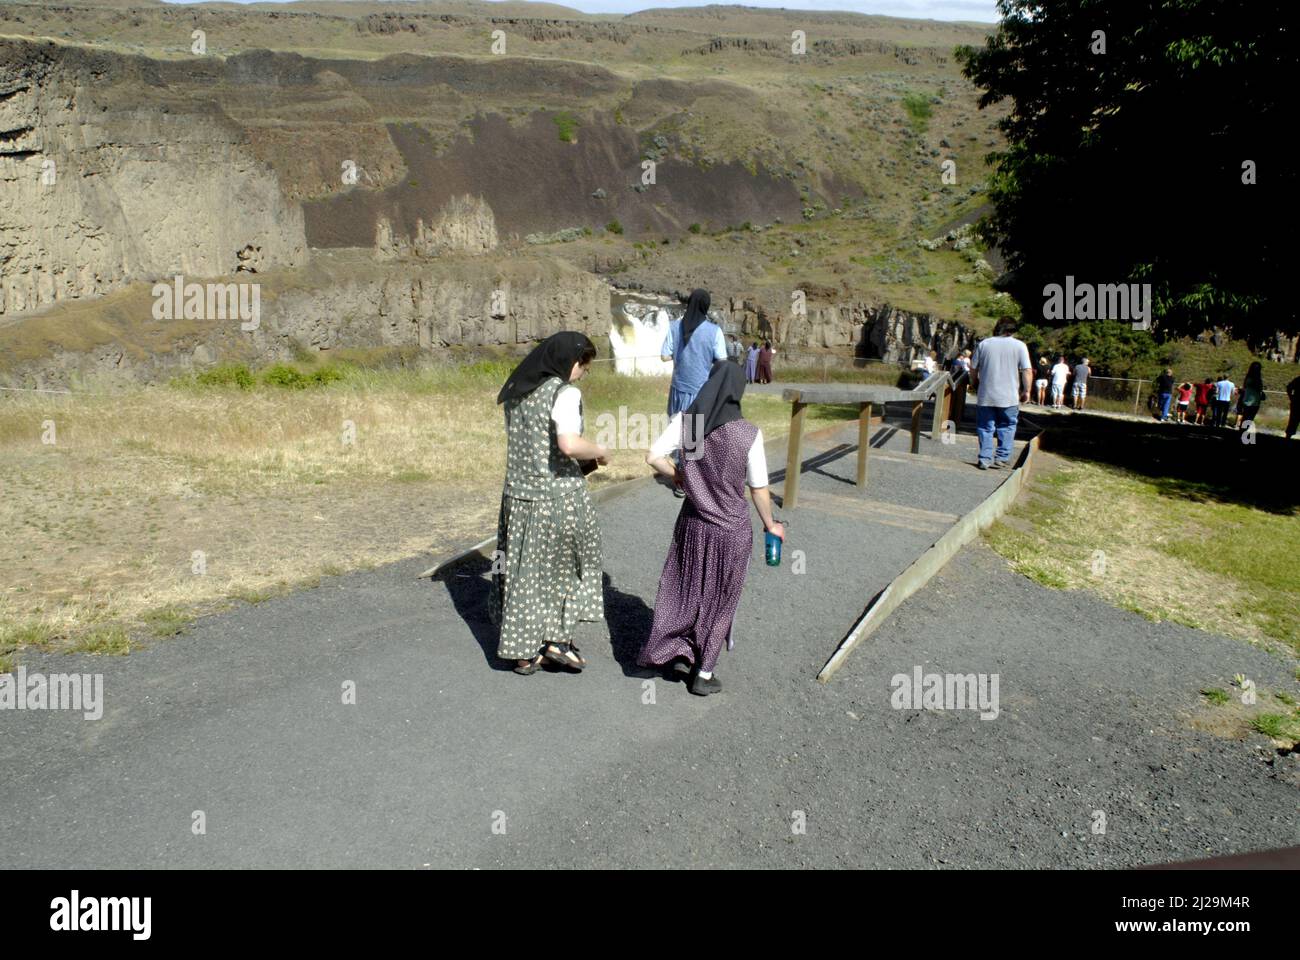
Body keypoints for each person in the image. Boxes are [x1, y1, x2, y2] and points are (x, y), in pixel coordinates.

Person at [638, 362, 783, 696]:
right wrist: (771, 525)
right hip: (731, 530)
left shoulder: (691, 424)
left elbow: (653, 456)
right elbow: (758, 489)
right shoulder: (748, 433)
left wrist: (679, 474)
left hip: (692, 522)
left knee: (685, 588)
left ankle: (679, 651)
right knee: (721, 597)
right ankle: (703, 673)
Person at [490, 332, 608, 675]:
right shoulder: (564, 392)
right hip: (556, 499)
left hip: (517, 496)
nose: (583, 372)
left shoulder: (518, 392)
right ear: (569, 361)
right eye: (582, 365)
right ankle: (557, 639)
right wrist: (600, 450)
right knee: (566, 569)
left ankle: (524, 652)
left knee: (522, 573)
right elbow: (569, 445)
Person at [969, 316, 1031, 470]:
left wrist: (974, 383)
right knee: (1007, 425)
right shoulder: (1020, 346)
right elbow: (1027, 370)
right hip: (1009, 396)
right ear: (1013, 329)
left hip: (986, 395)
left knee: (985, 427)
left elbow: (973, 368)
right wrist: (1026, 390)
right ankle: (1002, 458)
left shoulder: (984, 344)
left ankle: (985, 458)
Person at [662, 288, 727, 417]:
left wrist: (680, 354)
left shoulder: (674, 326)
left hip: (677, 390)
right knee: (696, 433)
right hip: (701, 391)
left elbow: (664, 356)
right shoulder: (714, 331)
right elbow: (722, 361)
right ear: (705, 306)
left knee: (675, 431)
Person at [1236, 361, 1266, 429]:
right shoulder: (1257, 379)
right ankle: (1242, 435)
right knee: (1248, 421)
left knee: (1245, 419)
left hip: (1246, 400)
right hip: (1255, 402)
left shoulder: (1248, 378)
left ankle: (1241, 434)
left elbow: (1245, 388)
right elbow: (1258, 389)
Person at [1285, 373, 1300, 439]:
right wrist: (1291, 397)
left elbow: (1289, 388)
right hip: (1296, 404)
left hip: (1296, 404)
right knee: (1293, 422)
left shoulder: (1298, 379)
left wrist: (1291, 397)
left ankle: (1288, 437)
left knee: (1292, 422)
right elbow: (1289, 388)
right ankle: (1288, 437)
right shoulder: (1298, 379)